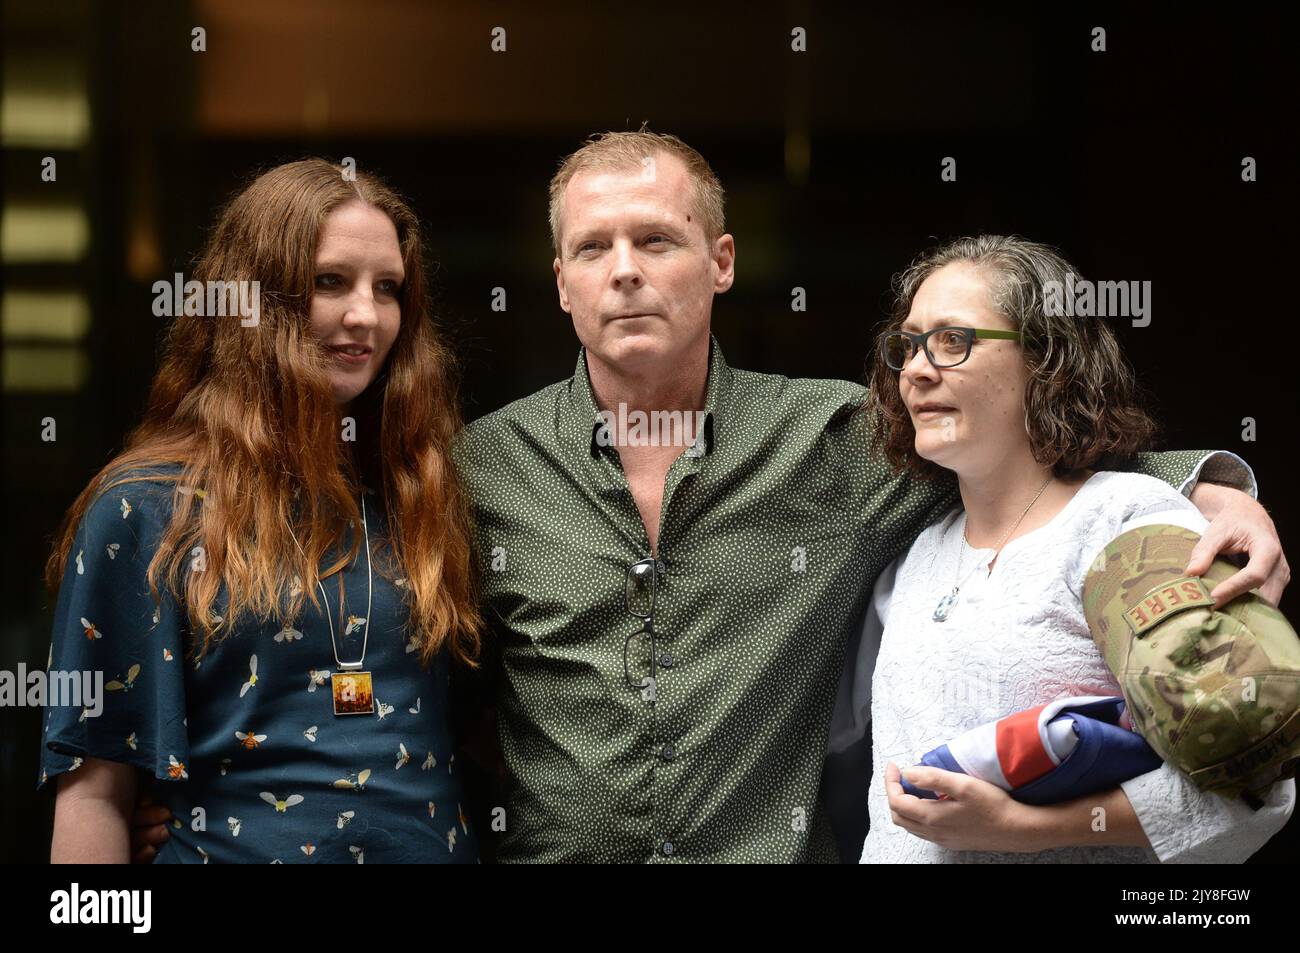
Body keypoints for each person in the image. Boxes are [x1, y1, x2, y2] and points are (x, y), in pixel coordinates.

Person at [449, 130, 1289, 861]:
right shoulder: (483, 467)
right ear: (561, 281)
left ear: (721, 261)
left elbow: (1029, 449)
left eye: (657, 240)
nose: (624, 271)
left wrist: (1211, 489)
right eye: (594, 248)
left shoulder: (833, 443)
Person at [42, 159, 482, 863]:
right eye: (328, 281)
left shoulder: (424, 487)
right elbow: (94, 792)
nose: (365, 314)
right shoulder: (144, 507)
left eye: (388, 287)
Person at [828, 235, 1295, 862]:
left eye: (952, 340)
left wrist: (1023, 829)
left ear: (1045, 359)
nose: (915, 368)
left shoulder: (1124, 522)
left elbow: (1255, 786)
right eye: (907, 344)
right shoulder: (913, 558)